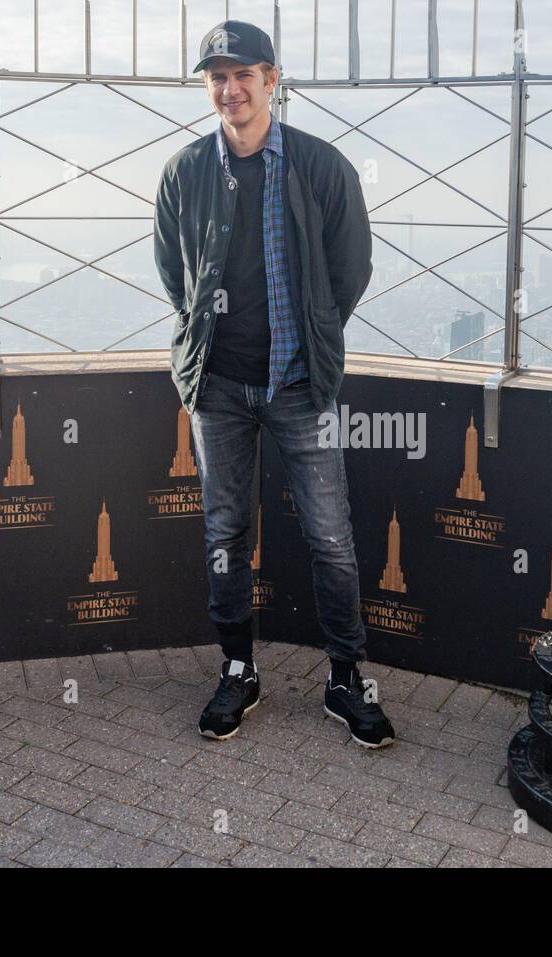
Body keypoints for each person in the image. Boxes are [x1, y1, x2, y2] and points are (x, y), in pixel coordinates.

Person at [153, 19, 394, 748]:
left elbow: (350, 270)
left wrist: (313, 336)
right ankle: (237, 670)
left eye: (243, 75)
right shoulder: (186, 170)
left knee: (331, 537)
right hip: (219, 387)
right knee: (227, 533)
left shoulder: (320, 167)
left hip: (299, 385)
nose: (230, 90)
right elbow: (175, 270)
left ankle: (346, 679)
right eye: (217, 77)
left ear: (272, 80)